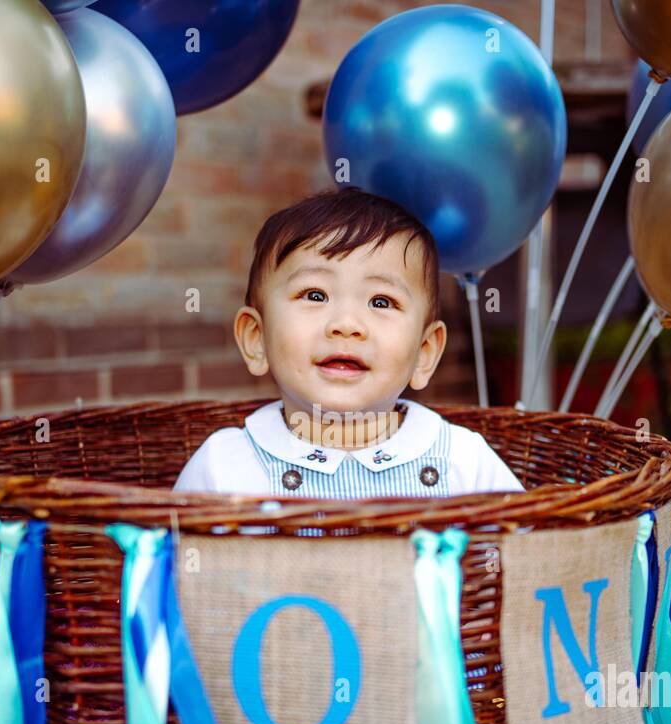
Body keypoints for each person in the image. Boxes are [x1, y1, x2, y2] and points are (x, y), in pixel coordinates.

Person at [174, 187, 524, 498]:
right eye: (314, 294)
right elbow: (167, 567)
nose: (346, 325)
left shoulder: (463, 462)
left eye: (381, 302)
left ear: (424, 353)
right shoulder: (224, 468)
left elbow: (531, 562)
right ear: (256, 339)